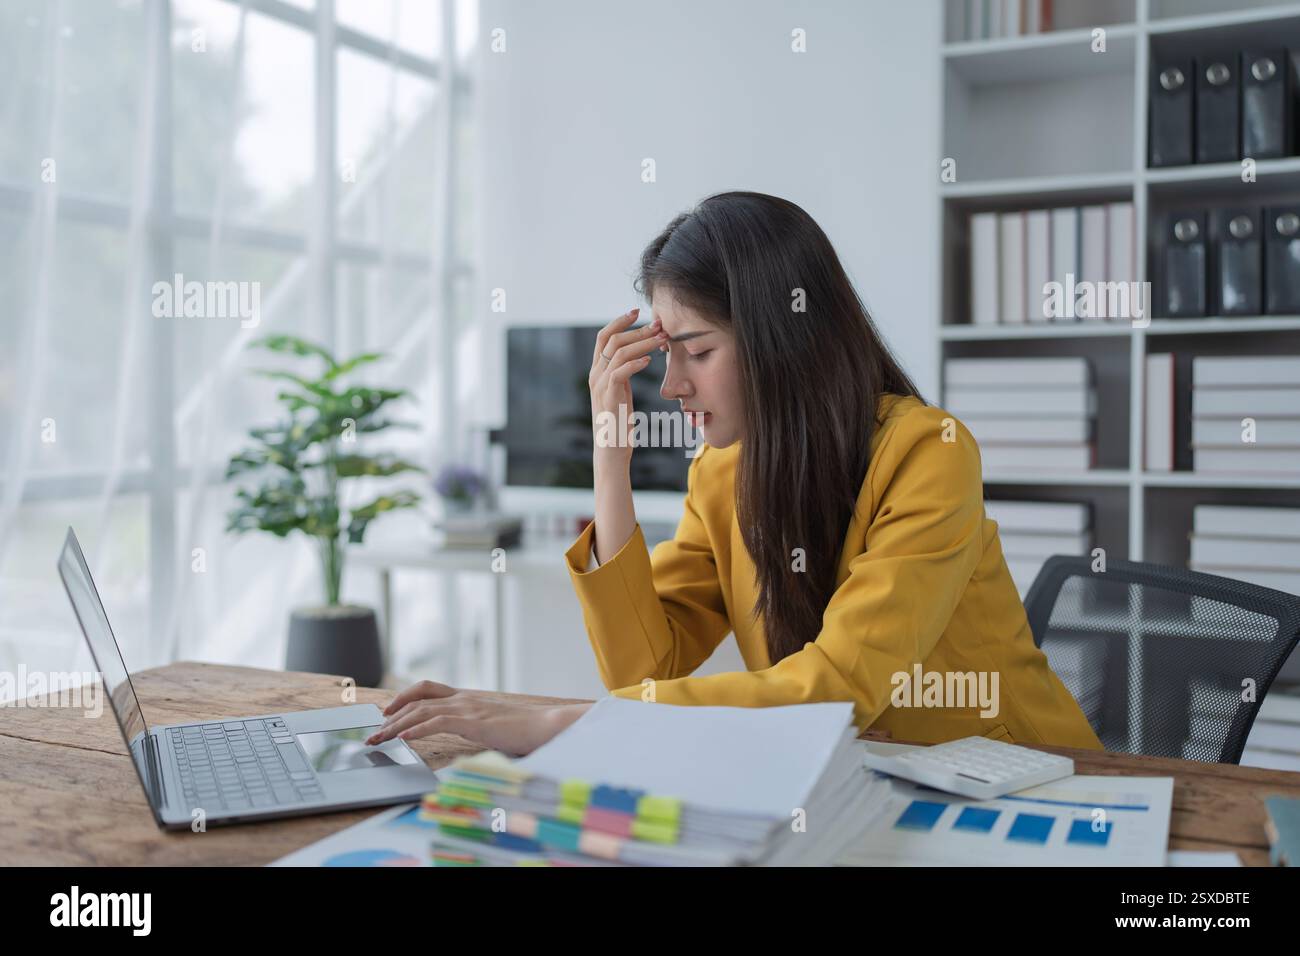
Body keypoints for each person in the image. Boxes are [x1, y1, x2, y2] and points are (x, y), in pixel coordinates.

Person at [369, 191, 1103, 756]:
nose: (672, 385)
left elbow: (842, 686)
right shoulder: (721, 473)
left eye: (697, 350)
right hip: (858, 782)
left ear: (784, 338)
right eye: (665, 355)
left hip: (1016, 783)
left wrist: (560, 723)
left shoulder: (928, 453)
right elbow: (641, 673)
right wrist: (610, 458)